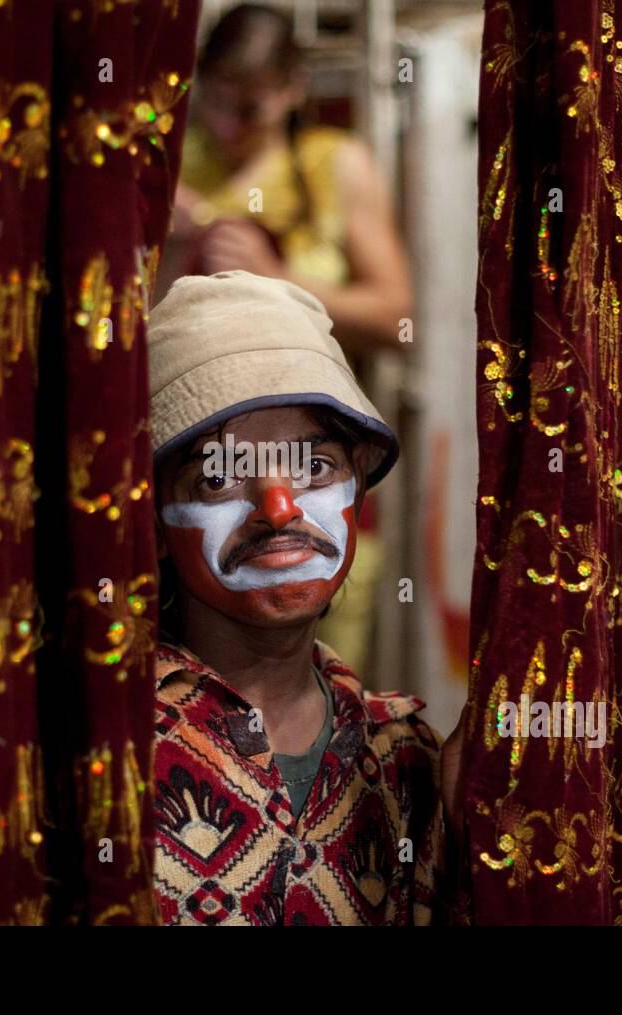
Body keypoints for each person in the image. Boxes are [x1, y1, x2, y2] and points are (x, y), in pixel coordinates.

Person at [148, 270, 447, 925]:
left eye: (312, 467)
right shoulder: (110, 744)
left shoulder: (408, 758)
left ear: (358, 490)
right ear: (155, 521)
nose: (279, 508)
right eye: (223, 476)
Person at [159, 2, 414, 680]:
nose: (227, 126)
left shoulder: (336, 165)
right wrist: (161, 240)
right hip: (203, 476)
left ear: (295, 89)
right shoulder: (172, 165)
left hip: (312, 473)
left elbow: (398, 317)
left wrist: (280, 279)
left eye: (252, 108)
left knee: (318, 671)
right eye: (213, 102)